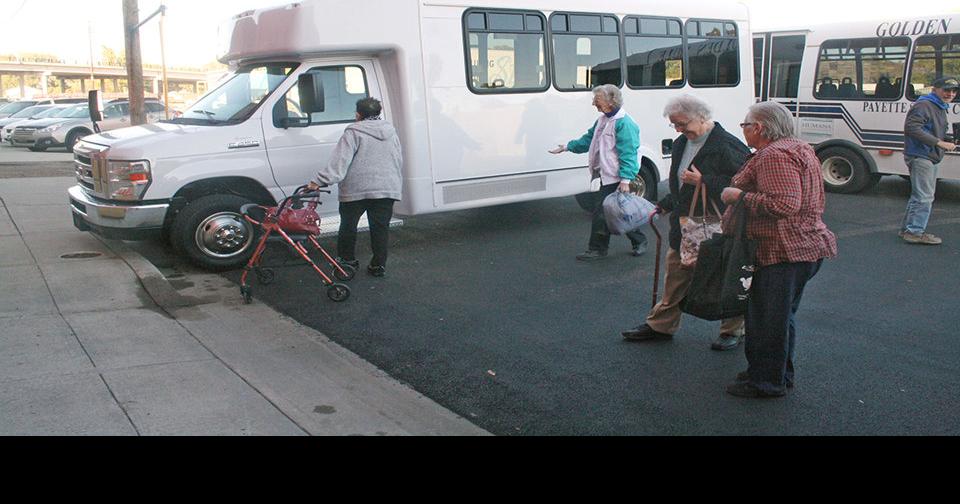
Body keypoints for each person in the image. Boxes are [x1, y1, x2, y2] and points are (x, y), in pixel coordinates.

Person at [720, 101, 838, 399]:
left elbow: (785, 204)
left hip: (782, 251)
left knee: (767, 320)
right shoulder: (798, 148)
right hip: (799, 249)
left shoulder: (774, 155)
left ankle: (766, 382)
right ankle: (775, 373)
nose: (743, 130)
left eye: (745, 125)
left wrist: (738, 196)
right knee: (780, 317)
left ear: (759, 128)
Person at [621, 95, 750, 351]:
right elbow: (681, 184)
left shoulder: (727, 145)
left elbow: (744, 185)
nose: (679, 130)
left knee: (724, 277)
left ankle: (733, 329)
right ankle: (661, 325)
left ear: (701, 117)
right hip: (685, 223)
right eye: (675, 124)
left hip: (718, 225)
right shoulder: (682, 142)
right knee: (676, 276)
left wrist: (705, 181)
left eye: (682, 123)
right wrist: (665, 204)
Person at [550, 84, 648, 260]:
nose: (594, 103)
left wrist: (625, 179)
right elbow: (588, 139)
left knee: (602, 212)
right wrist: (567, 147)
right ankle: (639, 240)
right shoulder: (603, 120)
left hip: (616, 177)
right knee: (618, 211)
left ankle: (598, 249)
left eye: (597, 100)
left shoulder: (624, 123)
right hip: (607, 175)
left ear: (611, 101)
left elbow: (628, 153)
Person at [308, 97, 402, 278]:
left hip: (355, 189)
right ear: (378, 113)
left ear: (358, 114)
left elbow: (339, 163)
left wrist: (318, 181)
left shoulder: (353, 133)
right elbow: (398, 159)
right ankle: (378, 266)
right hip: (386, 188)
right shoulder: (391, 133)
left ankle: (347, 262)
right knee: (380, 229)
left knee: (348, 227)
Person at [899, 76, 958, 245]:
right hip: (921, 156)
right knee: (924, 197)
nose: (950, 94)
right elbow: (912, 128)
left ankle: (908, 230)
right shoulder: (925, 105)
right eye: (946, 90)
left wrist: (947, 140)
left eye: (954, 91)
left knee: (919, 196)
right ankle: (914, 232)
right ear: (934, 89)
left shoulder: (938, 106)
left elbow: (929, 129)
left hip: (927, 155)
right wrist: (939, 142)